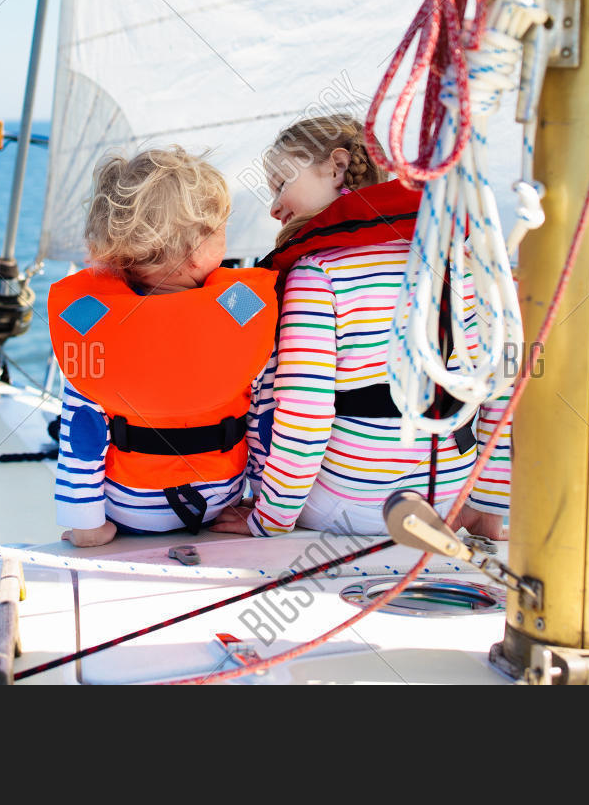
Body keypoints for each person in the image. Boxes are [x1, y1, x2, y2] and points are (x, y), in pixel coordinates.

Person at [212, 114, 511, 541]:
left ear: (336, 167)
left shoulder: (318, 273)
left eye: (280, 184)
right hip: (445, 501)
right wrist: (485, 511)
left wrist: (269, 520)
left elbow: (306, 415)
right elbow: (500, 393)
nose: (273, 206)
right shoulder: (459, 262)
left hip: (350, 503)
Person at [50, 147, 278, 547]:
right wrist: (259, 502)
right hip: (220, 501)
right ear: (196, 253)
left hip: (129, 508)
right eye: (221, 228)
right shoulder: (243, 309)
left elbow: (81, 433)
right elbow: (263, 418)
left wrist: (86, 524)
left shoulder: (91, 319)